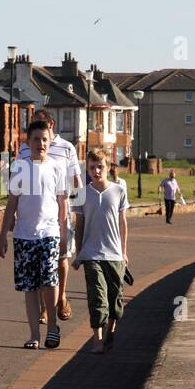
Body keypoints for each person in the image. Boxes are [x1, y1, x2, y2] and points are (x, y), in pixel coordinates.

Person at [0, 119, 68, 350]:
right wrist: (2, 236)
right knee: (29, 286)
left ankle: (52, 325)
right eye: (36, 139)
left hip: (49, 232)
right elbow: (12, 203)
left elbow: (62, 203)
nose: (41, 143)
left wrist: (64, 234)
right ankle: (34, 335)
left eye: (45, 139)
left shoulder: (57, 167)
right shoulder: (19, 167)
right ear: (28, 142)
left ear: (50, 141)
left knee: (49, 278)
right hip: (24, 234)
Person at [17, 109, 82, 323]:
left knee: (62, 257)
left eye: (41, 125)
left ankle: (61, 296)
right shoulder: (24, 150)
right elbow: (17, 180)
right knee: (38, 268)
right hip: (32, 216)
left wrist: (82, 207)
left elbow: (76, 181)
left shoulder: (67, 147)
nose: (37, 132)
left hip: (60, 210)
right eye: (33, 126)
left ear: (51, 124)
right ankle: (45, 309)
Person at [72, 149, 128, 354]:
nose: (96, 171)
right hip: (91, 254)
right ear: (87, 169)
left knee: (115, 301)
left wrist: (124, 252)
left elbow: (123, 223)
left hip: (114, 254)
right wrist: (79, 253)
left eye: (100, 167)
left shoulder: (119, 190)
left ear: (108, 167)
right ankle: (97, 339)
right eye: (92, 167)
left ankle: (111, 332)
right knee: (97, 297)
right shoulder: (82, 194)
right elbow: (79, 225)